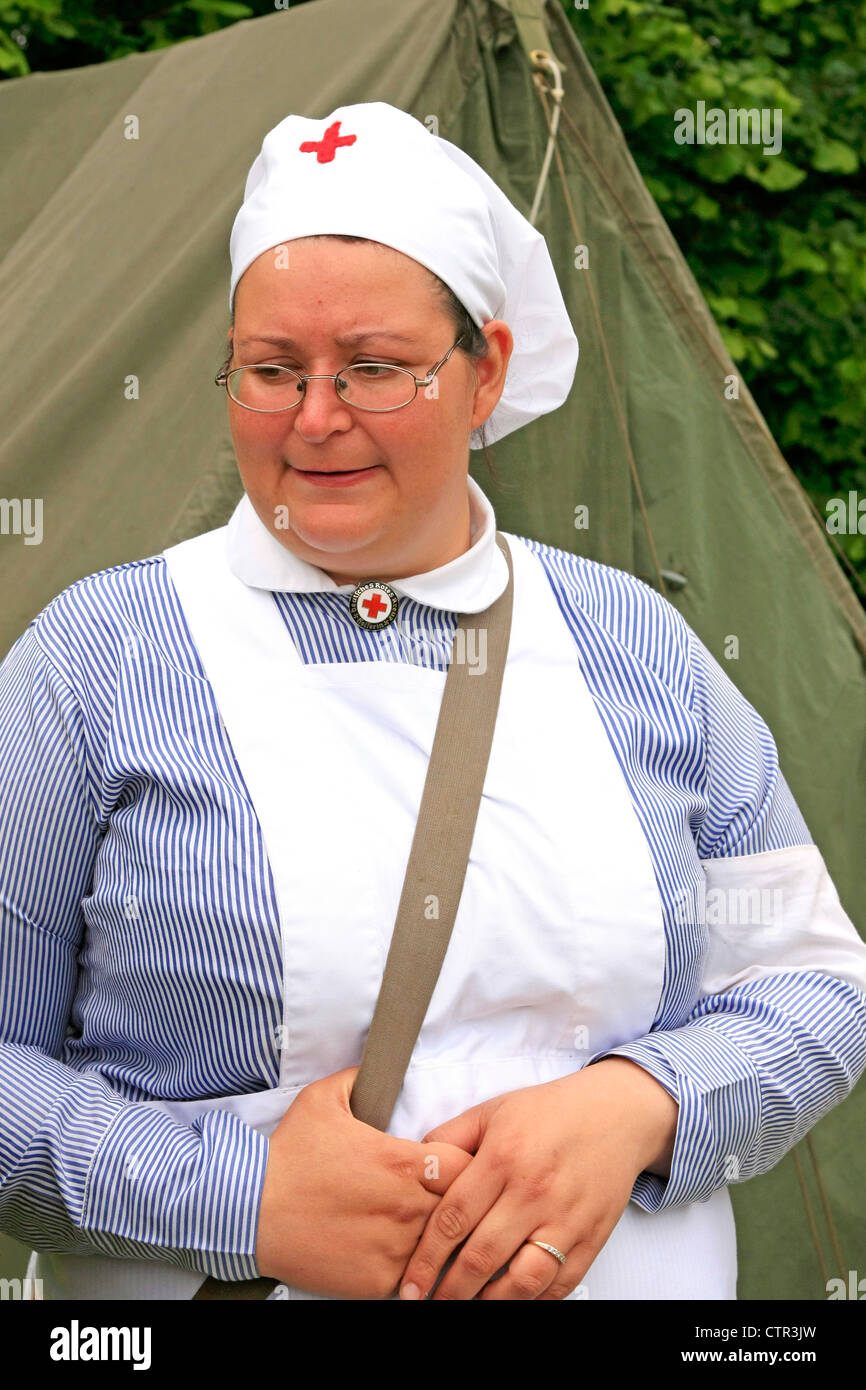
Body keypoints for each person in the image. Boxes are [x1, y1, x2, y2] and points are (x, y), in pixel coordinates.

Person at [1, 101, 865, 1303]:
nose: (315, 418)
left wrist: (643, 1102)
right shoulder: (96, 659)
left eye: (372, 367)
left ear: (484, 372)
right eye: (270, 370)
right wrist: (233, 1196)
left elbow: (811, 980)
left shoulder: (635, 643)